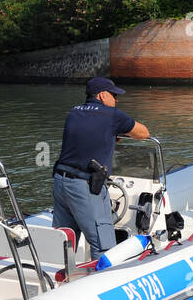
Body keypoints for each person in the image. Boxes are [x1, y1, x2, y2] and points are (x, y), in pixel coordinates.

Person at [52, 76, 149, 260]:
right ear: (103, 95)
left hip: (60, 182)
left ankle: (64, 282)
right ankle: (103, 282)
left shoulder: (74, 112)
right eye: (114, 95)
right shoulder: (112, 115)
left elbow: (87, 136)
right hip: (85, 186)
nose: (116, 100)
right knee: (104, 246)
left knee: (65, 240)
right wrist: (118, 131)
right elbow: (143, 132)